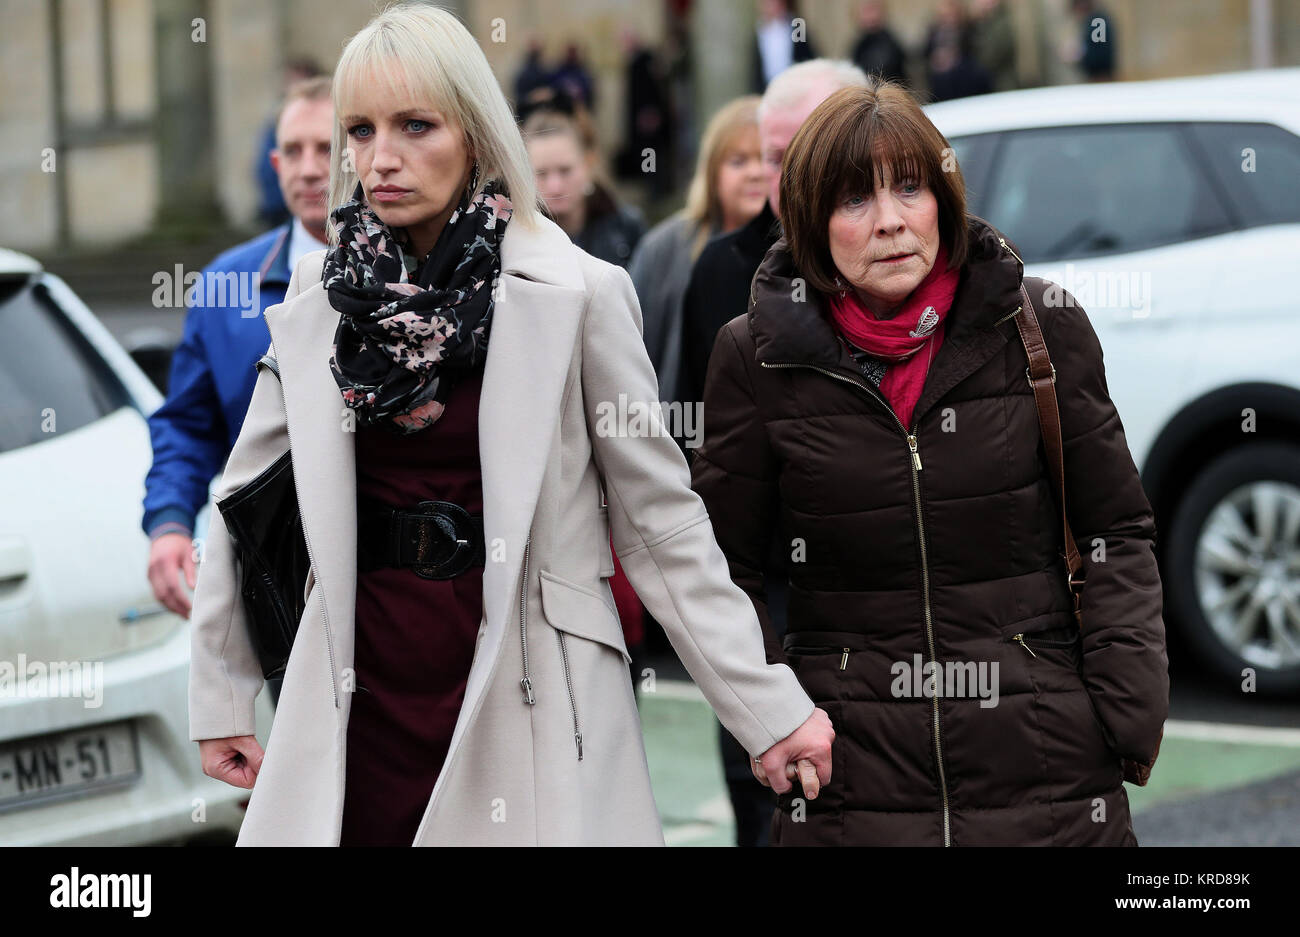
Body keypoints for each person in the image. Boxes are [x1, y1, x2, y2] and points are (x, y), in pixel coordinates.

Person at [187, 3, 833, 847]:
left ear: (476, 132)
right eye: (361, 129)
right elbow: (245, 499)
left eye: (416, 125)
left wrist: (767, 706)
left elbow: (661, 522)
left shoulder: (578, 292)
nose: (381, 158)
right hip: (357, 688)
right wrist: (223, 692)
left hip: (528, 689)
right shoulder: (323, 295)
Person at [691, 80, 1168, 845]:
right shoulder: (754, 356)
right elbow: (717, 570)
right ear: (813, 223)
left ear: (943, 199)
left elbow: (1116, 528)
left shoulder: (1039, 325)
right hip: (849, 784)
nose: (890, 222)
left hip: (1048, 775)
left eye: (909, 188)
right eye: (854, 201)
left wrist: (1122, 711)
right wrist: (772, 712)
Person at [678, 59, 869, 848]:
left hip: (891, 601)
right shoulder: (724, 271)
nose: (782, 177)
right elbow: (694, 452)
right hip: (767, 604)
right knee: (773, 818)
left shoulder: (910, 258)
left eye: (805, 152)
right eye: (773, 156)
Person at [144, 76, 332, 640]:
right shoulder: (227, 284)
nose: (307, 168)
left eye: (325, 148)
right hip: (274, 580)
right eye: (292, 152)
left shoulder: (413, 272)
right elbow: (187, 424)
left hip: (391, 574)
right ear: (273, 163)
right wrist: (170, 522)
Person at [628, 94, 765, 417]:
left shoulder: (800, 249)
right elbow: (630, 350)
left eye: (768, 159)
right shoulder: (664, 247)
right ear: (712, 172)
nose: (755, 172)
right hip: (681, 427)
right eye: (739, 161)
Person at [523, 108, 646, 268]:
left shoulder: (627, 228)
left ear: (588, 164)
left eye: (565, 170)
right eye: (541, 174)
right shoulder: (510, 236)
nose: (555, 187)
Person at [753, 0, 819, 93]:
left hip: (794, 84)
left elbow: (807, 56)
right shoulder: (760, 31)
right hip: (767, 87)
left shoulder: (797, 26)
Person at [849, 0, 907, 84]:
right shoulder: (859, 43)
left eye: (872, 10)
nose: (869, 16)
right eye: (865, 11)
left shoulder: (889, 41)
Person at [970, 0, 1018, 93]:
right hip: (988, 82)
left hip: (1002, 82)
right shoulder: (983, 21)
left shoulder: (1002, 23)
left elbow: (991, 55)